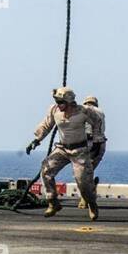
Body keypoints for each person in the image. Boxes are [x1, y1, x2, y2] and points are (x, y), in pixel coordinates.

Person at [25, 86, 99, 221]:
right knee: (46, 170)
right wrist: (36, 140)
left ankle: (92, 204)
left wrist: (95, 142)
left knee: (83, 182)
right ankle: (53, 202)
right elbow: (46, 125)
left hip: (80, 150)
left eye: (61, 102)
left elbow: (97, 124)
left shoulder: (84, 112)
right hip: (63, 149)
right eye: (57, 102)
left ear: (69, 101)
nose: (58, 105)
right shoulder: (54, 110)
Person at [80, 95, 106, 207]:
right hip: (101, 145)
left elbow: (88, 131)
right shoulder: (101, 112)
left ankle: (85, 199)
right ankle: (89, 192)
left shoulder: (86, 111)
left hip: (91, 144)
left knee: (82, 174)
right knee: (88, 172)